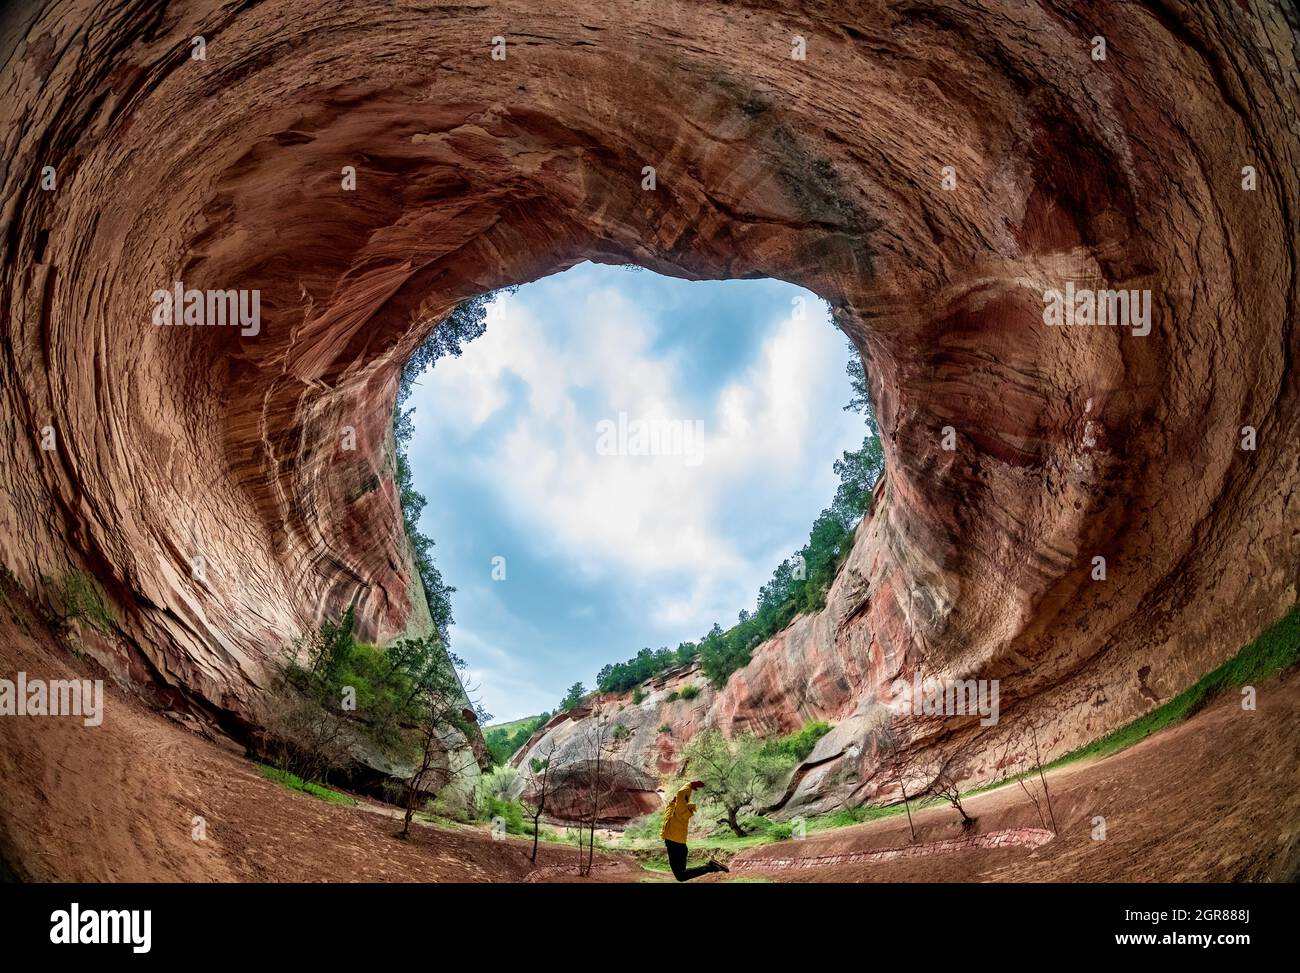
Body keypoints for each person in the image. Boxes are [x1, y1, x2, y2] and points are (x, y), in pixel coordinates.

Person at [660, 779, 728, 881]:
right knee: (681, 875)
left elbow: (681, 793)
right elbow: (670, 807)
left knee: (681, 876)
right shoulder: (674, 812)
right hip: (678, 846)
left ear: (682, 804)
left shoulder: (680, 813)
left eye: (679, 801)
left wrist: (690, 784)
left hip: (676, 847)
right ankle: (710, 866)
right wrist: (673, 801)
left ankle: (710, 867)